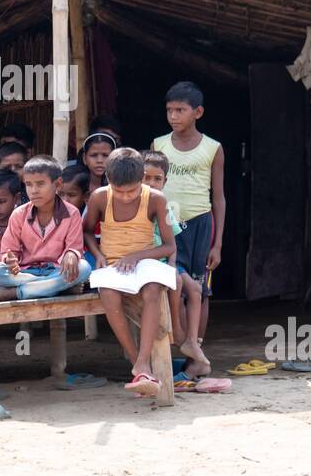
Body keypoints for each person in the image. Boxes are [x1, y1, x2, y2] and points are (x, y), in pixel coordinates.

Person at [83, 147, 176, 397]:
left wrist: (135, 257)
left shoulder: (156, 199)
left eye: (132, 191)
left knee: (153, 289)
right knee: (107, 292)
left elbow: (169, 246)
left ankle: (143, 361)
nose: (125, 197)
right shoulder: (99, 197)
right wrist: (98, 255)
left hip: (145, 261)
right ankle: (138, 364)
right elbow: (87, 232)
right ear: (108, 180)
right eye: (119, 191)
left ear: (142, 178)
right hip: (112, 264)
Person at [153, 81, 225, 347]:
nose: (173, 116)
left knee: (201, 290)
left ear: (198, 112)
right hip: (167, 225)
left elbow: (219, 197)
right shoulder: (159, 145)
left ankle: (197, 347)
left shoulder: (213, 148)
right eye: (169, 110)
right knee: (175, 285)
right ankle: (181, 346)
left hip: (201, 224)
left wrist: (217, 244)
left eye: (180, 110)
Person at [0, 156, 90, 304]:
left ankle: (15, 293)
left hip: (56, 270)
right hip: (24, 272)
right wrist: (10, 261)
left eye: (40, 184)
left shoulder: (72, 213)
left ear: (58, 184)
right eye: (29, 185)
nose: (34, 191)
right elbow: (8, 252)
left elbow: (74, 248)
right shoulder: (19, 214)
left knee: (84, 268)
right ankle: (54, 288)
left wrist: (71, 254)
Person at [143, 150, 208, 373]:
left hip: (167, 260)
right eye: (147, 178)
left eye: (157, 179)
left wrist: (172, 263)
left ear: (165, 181)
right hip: (149, 262)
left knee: (196, 288)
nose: (152, 183)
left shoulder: (165, 206)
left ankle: (191, 340)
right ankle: (177, 331)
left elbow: (172, 243)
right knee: (177, 282)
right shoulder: (136, 206)